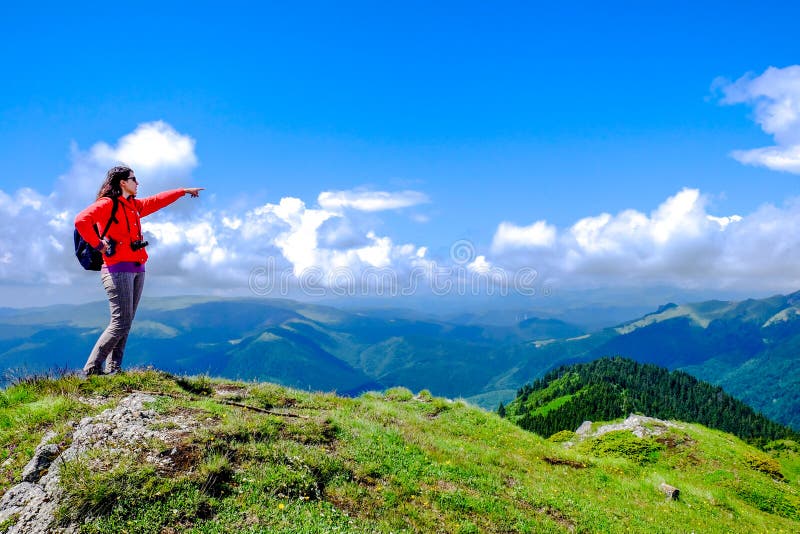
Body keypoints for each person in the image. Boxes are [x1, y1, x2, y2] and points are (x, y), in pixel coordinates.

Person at [74, 165, 204, 376]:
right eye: (134, 179)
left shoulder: (134, 206)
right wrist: (98, 245)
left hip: (137, 269)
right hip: (116, 270)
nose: (138, 183)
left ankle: (114, 369)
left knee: (126, 323)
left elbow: (157, 200)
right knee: (120, 322)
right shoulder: (107, 204)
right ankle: (91, 369)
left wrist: (182, 191)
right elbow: (81, 220)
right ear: (122, 182)